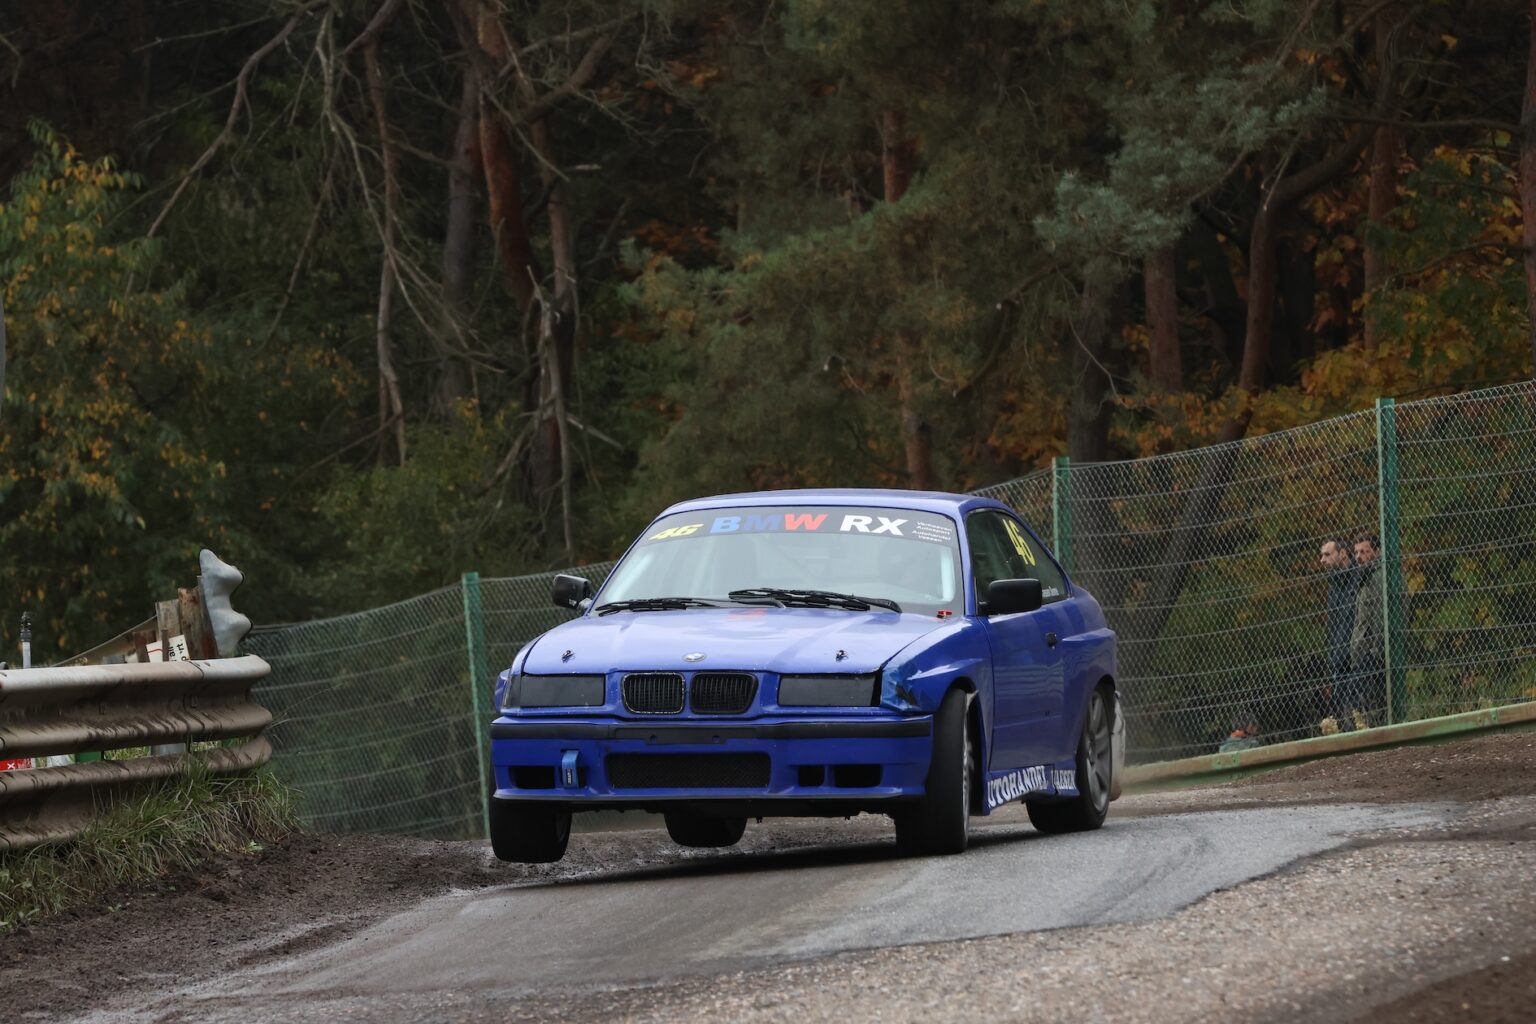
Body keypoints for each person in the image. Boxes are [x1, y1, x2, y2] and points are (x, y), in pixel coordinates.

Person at [1318, 537, 1357, 731]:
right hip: (1338, 663)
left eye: (1327, 554)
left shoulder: (1358, 578)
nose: (1322, 560)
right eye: (1321, 555)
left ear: (1342, 554)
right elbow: (1334, 628)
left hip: (1356, 659)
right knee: (1345, 718)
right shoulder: (1334, 586)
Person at [1348, 532, 1386, 729]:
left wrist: (1377, 652)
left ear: (1376, 552)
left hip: (1373, 656)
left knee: (1371, 709)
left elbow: (1381, 618)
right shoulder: (1365, 578)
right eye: (1356, 552)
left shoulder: (1377, 578)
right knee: (1363, 708)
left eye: (1364, 551)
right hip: (1364, 654)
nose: (1359, 556)